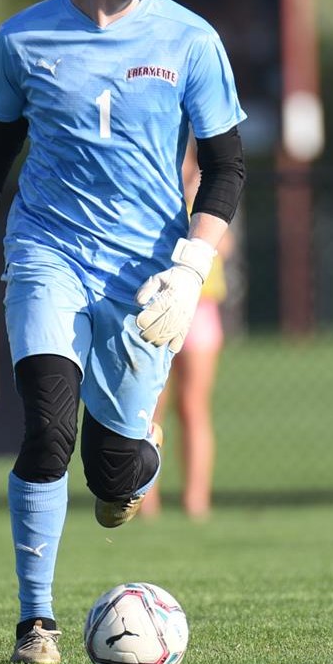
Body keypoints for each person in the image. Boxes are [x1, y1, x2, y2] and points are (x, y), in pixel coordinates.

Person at [0, 0, 247, 664]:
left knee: (112, 474)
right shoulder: (22, 41)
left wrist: (192, 265)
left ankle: (140, 456)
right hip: (47, 253)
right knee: (46, 430)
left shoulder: (190, 40)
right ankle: (37, 626)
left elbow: (230, 166)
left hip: (146, 278)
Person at [143, 141, 229, 522]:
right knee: (148, 408)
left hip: (201, 306)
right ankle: (144, 499)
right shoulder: (147, 186)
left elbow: (221, 247)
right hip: (153, 305)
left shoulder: (208, 189)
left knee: (192, 406)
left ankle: (196, 501)